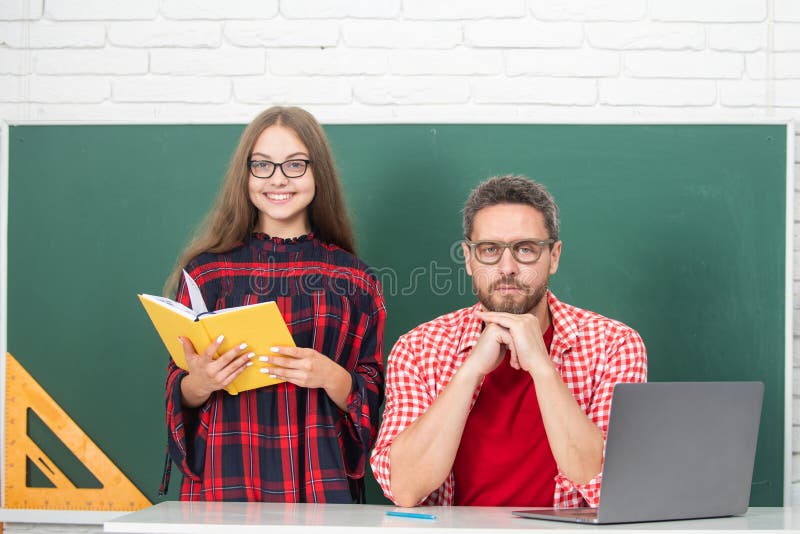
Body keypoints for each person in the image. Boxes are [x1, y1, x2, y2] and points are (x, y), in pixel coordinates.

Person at [370, 175, 647, 508]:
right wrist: (470, 370)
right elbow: (406, 488)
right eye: (489, 250)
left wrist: (543, 368)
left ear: (554, 256)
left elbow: (607, 484)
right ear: (469, 259)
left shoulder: (615, 345)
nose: (507, 268)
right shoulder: (418, 349)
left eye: (525, 249)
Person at [161, 106, 386, 503]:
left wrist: (332, 376)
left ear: (319, 172)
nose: (278, 179)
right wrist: (201, 382)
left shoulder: (355, 279)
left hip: (322, 482)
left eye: (295, 164)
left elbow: (376, 393)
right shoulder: (207, 274)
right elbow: (180, 389)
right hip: (224, 479)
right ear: (245, 174)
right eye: (262, 165)